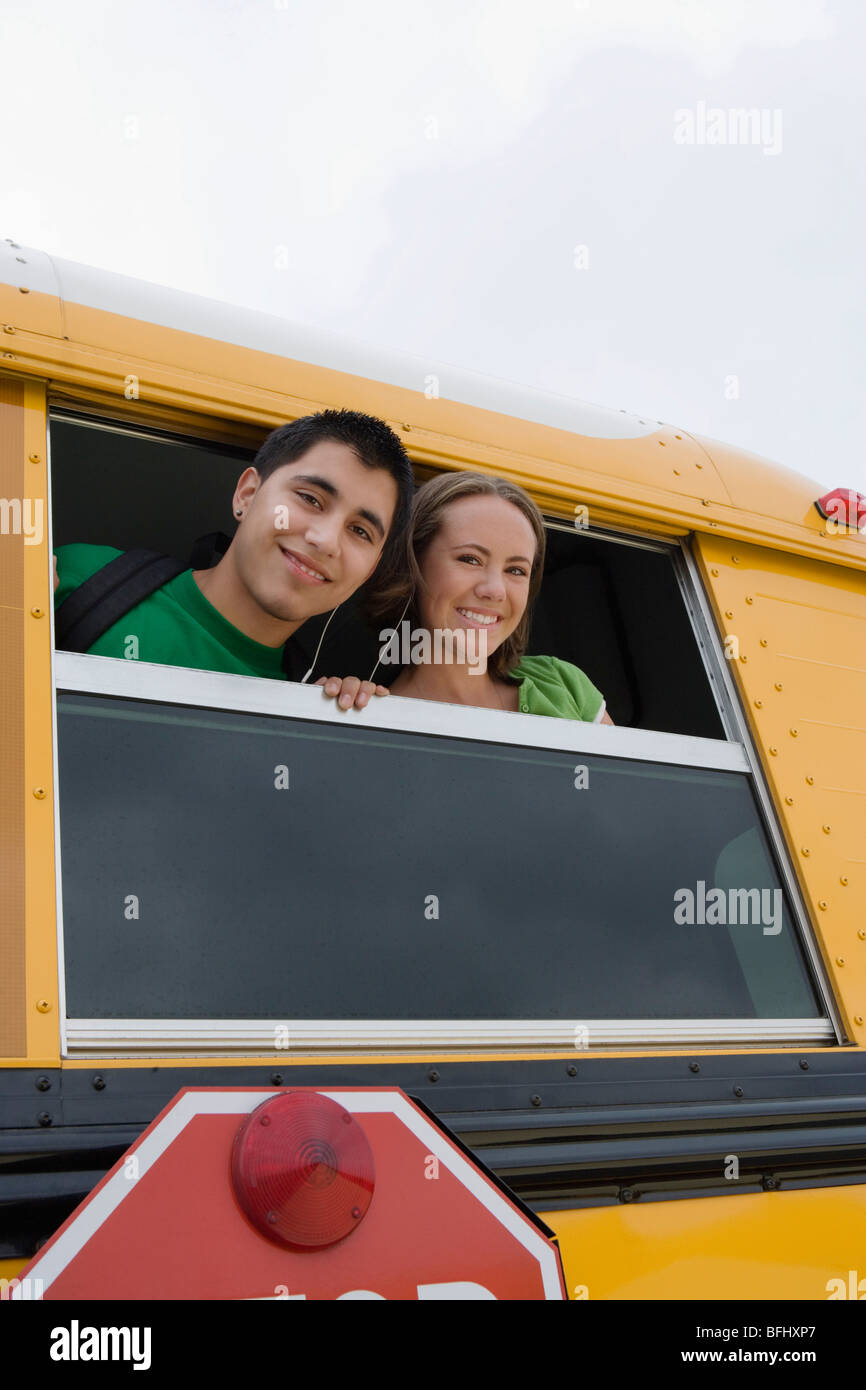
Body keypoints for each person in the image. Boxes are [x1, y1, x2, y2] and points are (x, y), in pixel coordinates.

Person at [53, 410, 414, 706]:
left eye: (361, 531)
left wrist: (357, 721)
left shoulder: (311, 706)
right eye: (311, 499)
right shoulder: (79, 578)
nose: (325, 541)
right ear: (247, 494)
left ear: (371, 569)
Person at [319, 470, 615, 723]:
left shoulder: (561, 684)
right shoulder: (366, 714)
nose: (495, 590)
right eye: (470, 560)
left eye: (516, 570)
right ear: (412, 564)